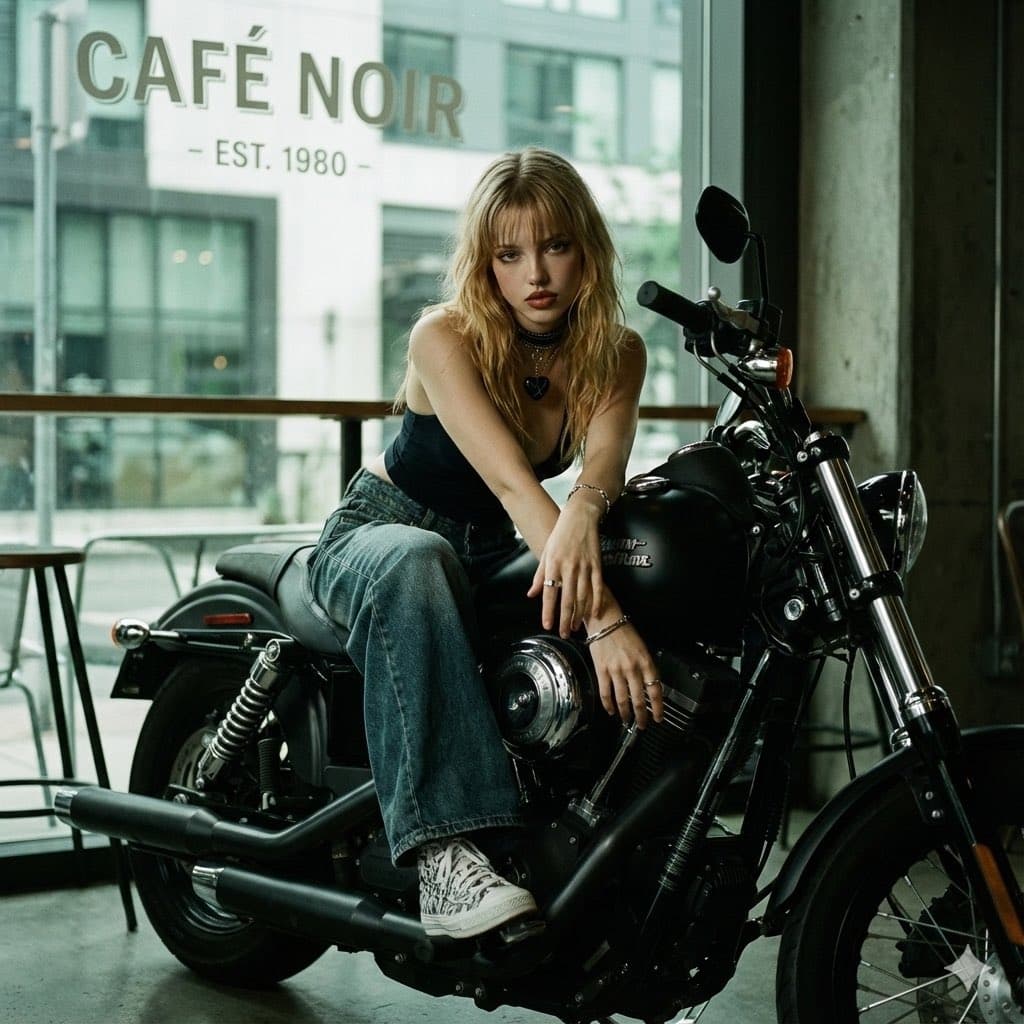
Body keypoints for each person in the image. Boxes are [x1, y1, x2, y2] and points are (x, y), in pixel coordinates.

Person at [307, 146, 663, 941]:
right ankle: (444, 857)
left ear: (586, 251)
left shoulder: (616, 353)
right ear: (487, 264)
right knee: (421, 561)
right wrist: (604, 624)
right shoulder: (444, 336)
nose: (536, 273)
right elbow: (513, 485)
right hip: (383, 532)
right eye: (510, 254)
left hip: (488, 549)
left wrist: (583, 517)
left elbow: (601, 473)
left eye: (555, 246)